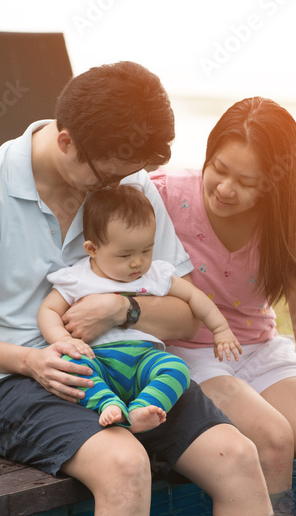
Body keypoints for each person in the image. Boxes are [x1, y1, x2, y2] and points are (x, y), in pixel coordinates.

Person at [0, 63, 273, 516]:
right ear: (66, 142)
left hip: (124, 362)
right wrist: (31, 361)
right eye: (108, 174)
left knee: (238, 457)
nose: (120, 185)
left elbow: (186, 314)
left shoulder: (129, 181)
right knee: (125, 464)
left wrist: (122, 309)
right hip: (3, 381)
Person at [151, 96, 296, 500]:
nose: (225, 188)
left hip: (259, 350)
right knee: (274, 440)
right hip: (191, 352)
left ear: (273, 183)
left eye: (247, 182)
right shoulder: (163, 197)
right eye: (219, 168)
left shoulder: (292, 225)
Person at [38, 185, 243, 431]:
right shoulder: (77, 277)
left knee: (177, 369)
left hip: (144, 360)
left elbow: (193, 296)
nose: (138, 262)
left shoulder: (155, 274)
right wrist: (63, 340)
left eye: (146, 250)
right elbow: (49, 310)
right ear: (93, 249)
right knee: (71, 367)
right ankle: (108, 404)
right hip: (98, 360)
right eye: (125, 255)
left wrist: (220, 328)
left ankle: (141, 410)